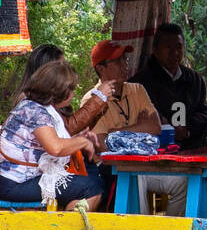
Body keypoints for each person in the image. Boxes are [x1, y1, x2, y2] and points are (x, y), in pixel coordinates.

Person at [82, 40, 191, 215]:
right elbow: (102, 145)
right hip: (112, 170)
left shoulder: (137, 90)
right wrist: (140, 127)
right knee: (135, 176)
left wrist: (115, 133)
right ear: (101, 68)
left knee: (183, 182)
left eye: (125, 59)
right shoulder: (91, 100)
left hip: (145, 165)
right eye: (118, 61)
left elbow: (155, 127)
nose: (125, 64)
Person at [0, 59, 105, 211]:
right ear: (59, 92)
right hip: (16, 184)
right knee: (91, 189)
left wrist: (78, 139)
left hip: (17, 180)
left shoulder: (33, 106)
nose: (73, 94)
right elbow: (55, 148)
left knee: (91, 182)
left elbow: (50, 142)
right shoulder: (35, 111)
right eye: (71, 89)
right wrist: (82, 142)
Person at [130, 23, 207, 148]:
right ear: (155, 50)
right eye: (168, 47)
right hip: (159, 145)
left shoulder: (194, 79)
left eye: (179, 47)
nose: (174, 53)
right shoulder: (141, 82)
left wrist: (187, 129)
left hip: (192, 140)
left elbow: (206, 111)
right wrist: (170, 129)